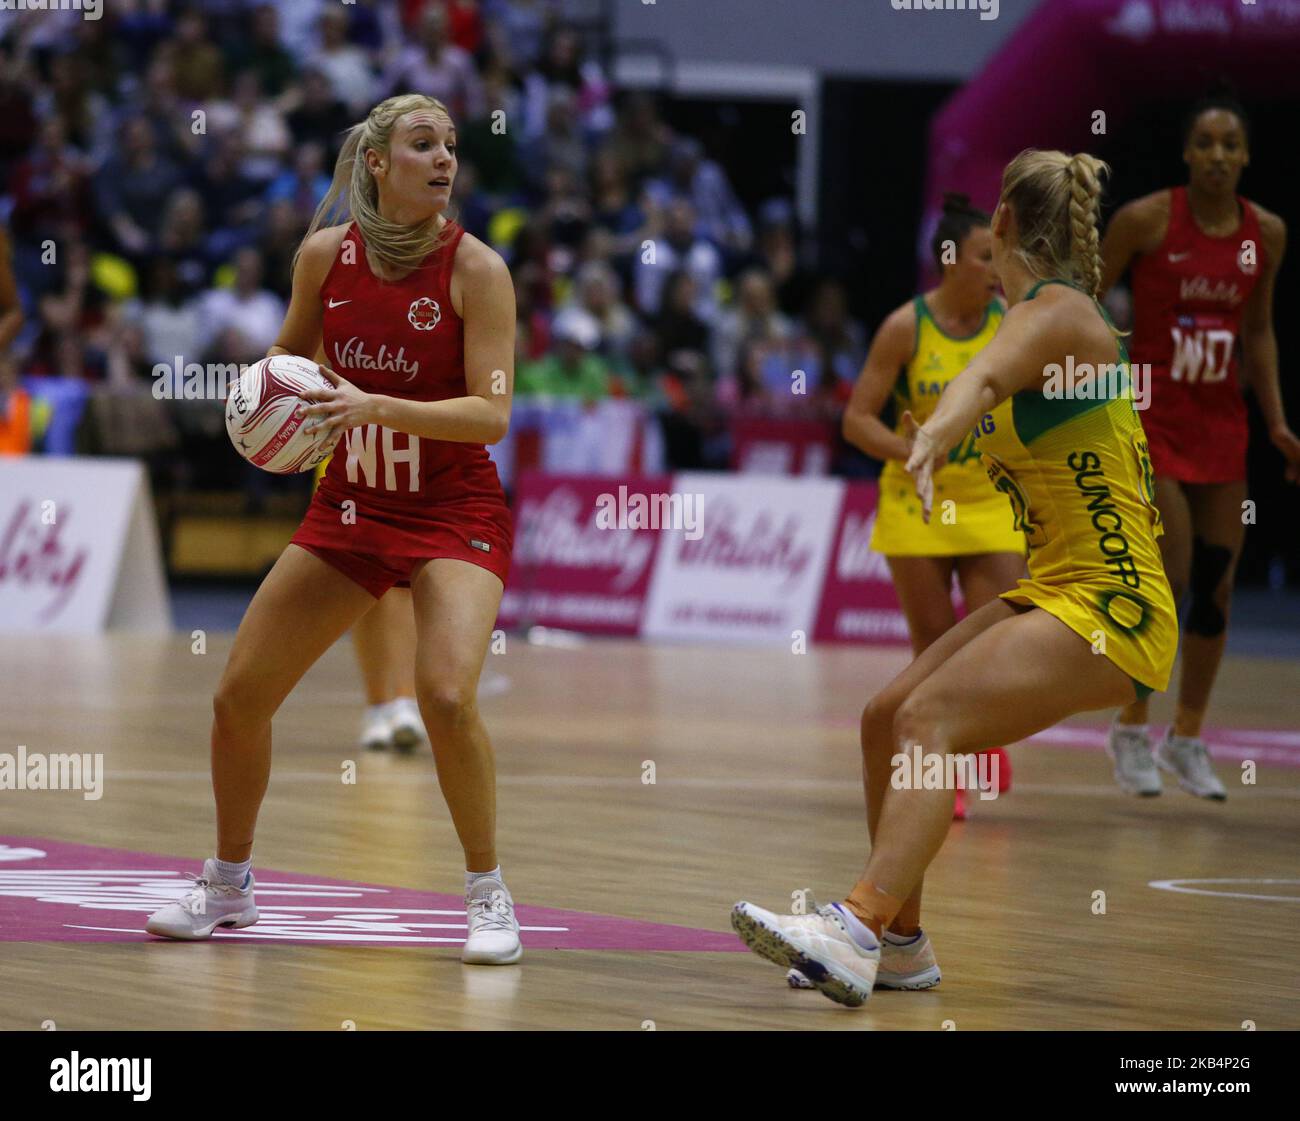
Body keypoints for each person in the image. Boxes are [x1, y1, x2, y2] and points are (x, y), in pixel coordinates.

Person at [731, 150, 1178, 1007]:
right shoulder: (1035, 313)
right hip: (1058, 584)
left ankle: (857, 923)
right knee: (884, 718)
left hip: (1110, 605)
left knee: (931, 719)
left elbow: (982, 377)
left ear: (1002, 224)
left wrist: (930, 437)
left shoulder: (1058, 312)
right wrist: (926, 436)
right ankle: (902, 945)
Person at [146, 93, 522, 965]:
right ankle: (230, 884)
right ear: (377, 164)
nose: (443, 161)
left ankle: (489, 894)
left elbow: (492, 415)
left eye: (452, 147)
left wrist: (373, 403)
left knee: (448, 696)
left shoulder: (477, 270)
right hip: (348, 505)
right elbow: (287, 365)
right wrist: (265, 415)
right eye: (422, 145)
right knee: (238, 696)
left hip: (452, 508)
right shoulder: (322, 257)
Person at [1098, 90, 1298, 799]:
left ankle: (1187, 735)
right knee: (1172, 568)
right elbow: (1085, 299)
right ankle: (1129, 725)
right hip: (1151, 417)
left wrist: (1276, 420)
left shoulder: (1265, 234)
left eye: (1231, 144)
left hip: (1222, 424)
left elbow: (1260, 331)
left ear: (1246, 156)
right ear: (1187, 152)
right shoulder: (1146, 220)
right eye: (1205, 142)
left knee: (1215, 588)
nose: (1218, 155)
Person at [843, 193, 1025, 823]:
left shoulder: (1015, 323)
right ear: (949, 261)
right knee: (932, 644)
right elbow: (855, 420)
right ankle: (935, 768)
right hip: (916, 501)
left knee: (993, 635)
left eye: (998, 256)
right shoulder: (905, 326)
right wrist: (911, 448)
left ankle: (976, 739)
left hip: (991, 501)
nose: (996, 268)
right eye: (984, 257)